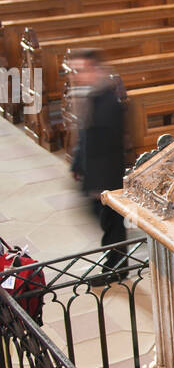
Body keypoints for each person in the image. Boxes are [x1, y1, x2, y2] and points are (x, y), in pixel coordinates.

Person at [68, 48, 129, 282]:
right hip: (93, 172)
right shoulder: (93, 95)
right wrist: (76, 164)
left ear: (93, 69)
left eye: (80, 70)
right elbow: (85, 136)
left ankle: (116, 269)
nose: (76, 75)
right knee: (108, 221)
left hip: (105, 176)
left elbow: (108, 145)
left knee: (111, 222)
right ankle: (115, 265)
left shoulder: (109, 99)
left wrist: (100, 184)